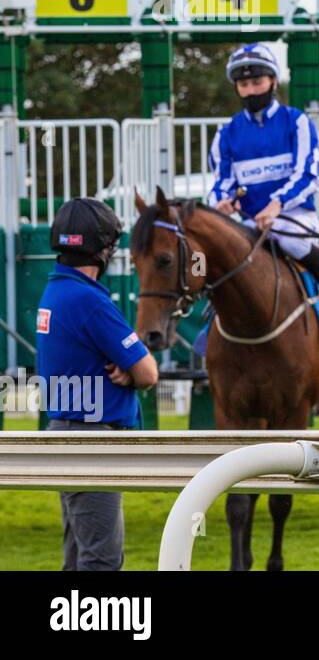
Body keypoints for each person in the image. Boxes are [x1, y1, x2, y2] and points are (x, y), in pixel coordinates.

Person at [36, 198, 159, 570]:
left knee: (77, 556)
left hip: (66, 432)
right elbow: (149, 373)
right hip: (90, 439)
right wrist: (131, 371)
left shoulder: (54, 292)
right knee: (101, 560)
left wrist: (125, 371)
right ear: (103, 248)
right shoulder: (91, 301)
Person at [207, 43, 319, 328]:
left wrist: (276, 205)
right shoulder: (226, 132)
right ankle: (213, 320)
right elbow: (221, 181)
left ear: (273, 81)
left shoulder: (296, 121)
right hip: (248, 221)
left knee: (287, 240)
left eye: (257, 82)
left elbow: (307, 176)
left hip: (292, 216)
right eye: (244, 84)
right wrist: (222, 202)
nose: (250, 90)